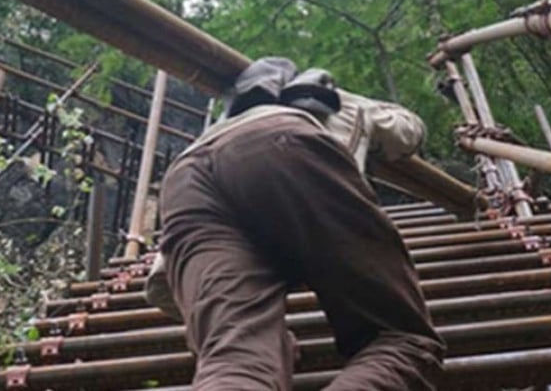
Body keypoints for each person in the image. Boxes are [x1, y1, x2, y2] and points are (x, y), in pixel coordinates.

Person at [145, 57, 444, 390]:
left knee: (238, 360)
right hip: (284, 147)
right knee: (401, 338)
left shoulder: (224, 120)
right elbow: (406, 132)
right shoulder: (341, 100)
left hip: (185, 178)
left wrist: (266, 337)